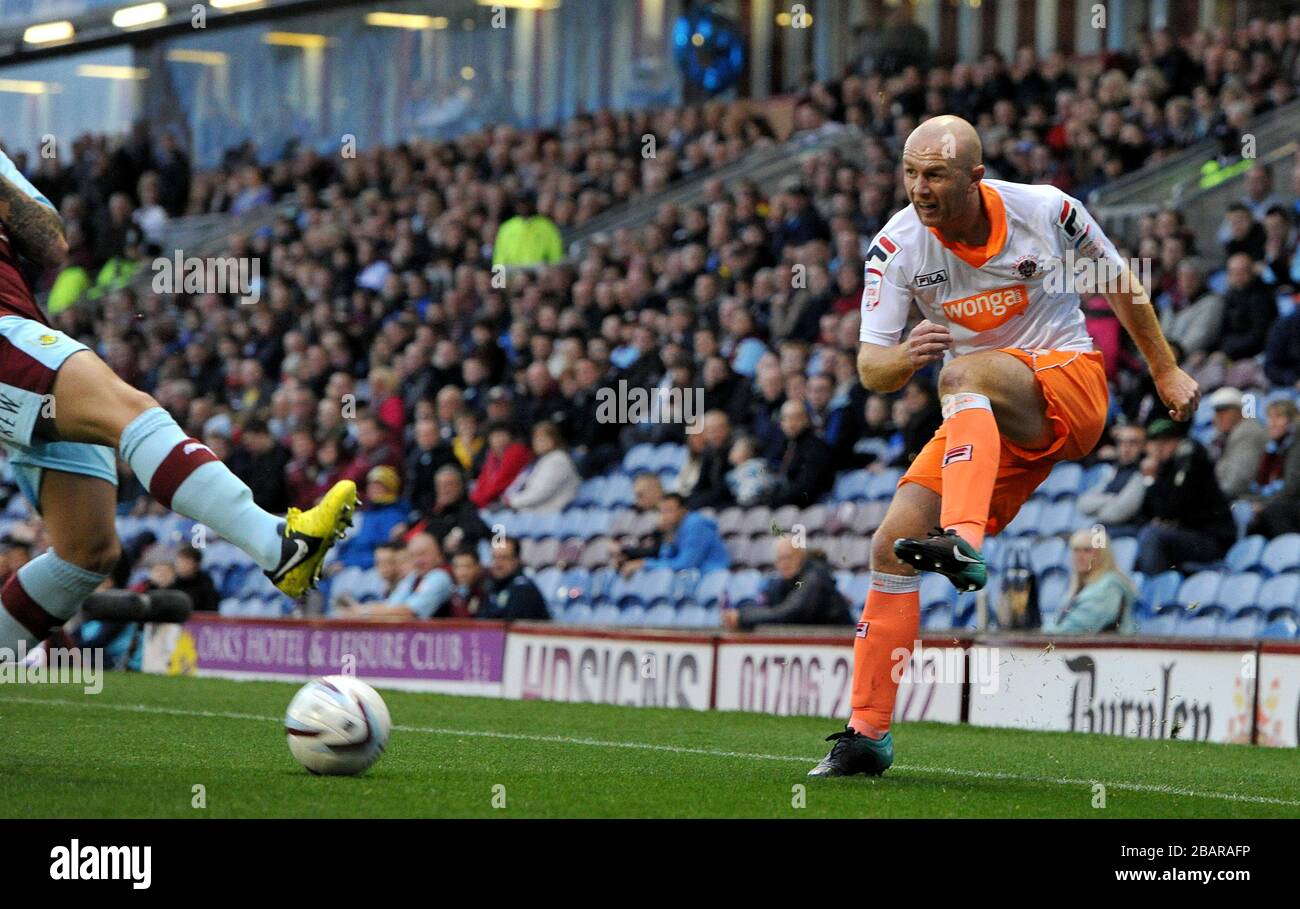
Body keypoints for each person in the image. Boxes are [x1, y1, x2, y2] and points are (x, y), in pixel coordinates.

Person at [810, 115, 1197, 778]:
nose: (919, 188)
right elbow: (870, 367)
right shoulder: (895, 246)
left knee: (961, 372)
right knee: (890, 543)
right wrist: (903, 356)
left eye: (934, 175)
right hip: (982, 419)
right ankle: (867, 734)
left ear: (975, 176)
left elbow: (1119, 284)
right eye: (910, 174)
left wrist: (1164, 368)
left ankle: (962, 539)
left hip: (1068, 383)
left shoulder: (1047, 211)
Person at [0, 148, 355, 663]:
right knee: (130, 413)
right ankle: (278, 545)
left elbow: (52, 245)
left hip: (23, 327)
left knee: (87, 552)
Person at [1135, 418, 1235, 574]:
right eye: (1155, 444)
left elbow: (1171, 509)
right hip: (1185, 534)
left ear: (1176, 441)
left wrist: (1150, 479)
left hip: (1210, 538)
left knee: (1152, 537)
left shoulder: (1191, 461)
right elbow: (1148, 511)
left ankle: (1156, 592)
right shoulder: (1164, 467)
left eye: (1165, 443)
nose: (1159, 449)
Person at [723, 537, 852, 630]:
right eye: (780, 559)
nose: (784, 563)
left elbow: (789, 613)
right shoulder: (781, 583)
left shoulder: (815, 578)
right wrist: (740, 612)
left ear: (801, 557)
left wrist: (743, 618)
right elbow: (767, 608)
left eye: (789, 557)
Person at [332, 532, 451, 620]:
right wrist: (358, 611)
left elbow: (408, 612)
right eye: (414, 555)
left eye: (423, 554)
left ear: (438, 555)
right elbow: (392, 606)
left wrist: (362, 611)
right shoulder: (413, 577)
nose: (418, 560)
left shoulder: (439, 577)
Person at [1045, 528, 1138, 634]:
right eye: (1076, 550)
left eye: (1087, 550)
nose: (1079, 557)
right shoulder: (1079, 586)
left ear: (1102, 554)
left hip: (1110, 649)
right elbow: (1058, 622)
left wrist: (1045, 633)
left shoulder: (1109, 587)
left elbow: (1080, 628)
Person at [619, 494, 730, 576]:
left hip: (712, 576)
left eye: (669, 511)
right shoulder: (674, 528)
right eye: (662, 512)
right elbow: (665, 558)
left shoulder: (696, 525)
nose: (665, 517)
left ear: (683, 511)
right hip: (691, 579)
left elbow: (686, 564)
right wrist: (664, 536)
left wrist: (645, 564)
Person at [1076, 424, 1147, 534]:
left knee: (1093, 537)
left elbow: (1116, 513)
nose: (1126, 448)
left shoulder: (1143, 472)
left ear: (1144, 446)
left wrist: (1099, 507)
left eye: (1132, 443)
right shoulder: (1113, 469)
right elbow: (1083, 504)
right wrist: (1111, 498)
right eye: (1122, 442)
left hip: (1131, 530)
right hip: (1103, 527)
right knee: (1083, 539)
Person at [1247, 399, 1300, 538]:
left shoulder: (1297, 444)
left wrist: (1262, 505)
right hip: (1280, 500)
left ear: (1292, 421)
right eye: (1270, 418)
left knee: (1272, 512)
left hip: (1292, 501)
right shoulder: (1273, 448)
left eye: (1279, 417)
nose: (1272, 423)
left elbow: (1292, 488)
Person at [502, 421, 580, 513]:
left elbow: (541, 493)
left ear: (553, 440)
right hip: (538, 512)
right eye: (535, 439)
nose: (537, 443)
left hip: (554, 515)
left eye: (542, 439)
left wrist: (512, 502)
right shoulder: (545, 459)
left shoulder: (558, 460)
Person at [1206, 386, 1268, 499]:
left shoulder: (1249, 432)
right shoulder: (1220, 436)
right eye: (1217, 412)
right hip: (1223, 495)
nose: (1218, 417)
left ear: (1239, 412)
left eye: (1224, 412)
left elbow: (1238, 482)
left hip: (1245, 498)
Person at [483, 537, 549, 620]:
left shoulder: (524, 591)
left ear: (517, 560)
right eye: (494, 558)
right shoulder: (492, 586)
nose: (498, 564)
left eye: (504, 558)